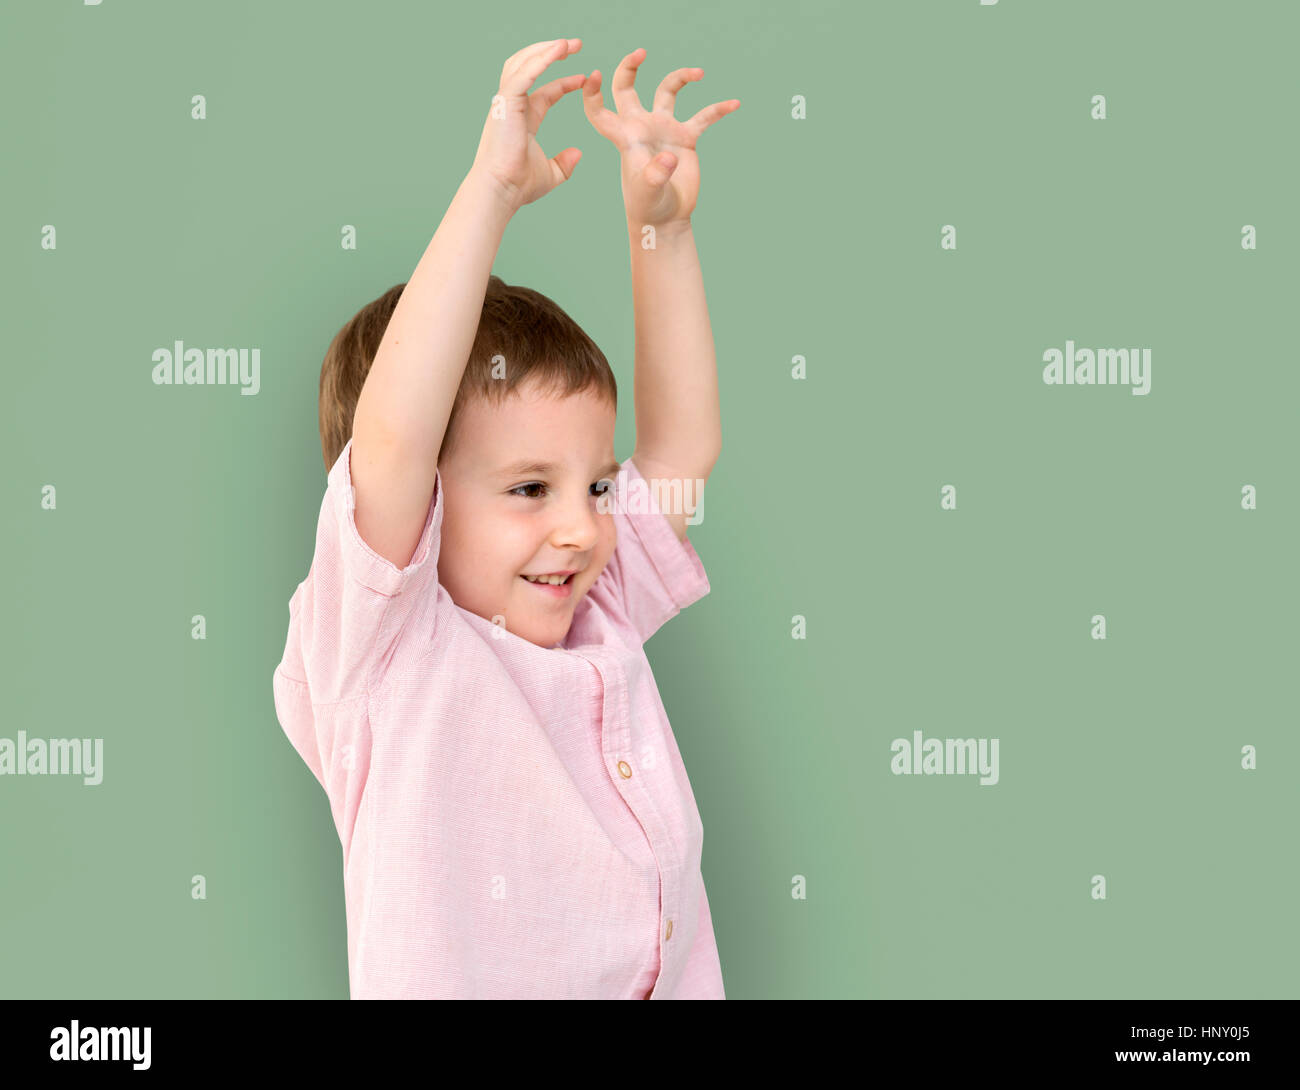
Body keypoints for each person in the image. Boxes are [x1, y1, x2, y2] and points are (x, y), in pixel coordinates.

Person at [272, 37, 738, 998]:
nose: (581, 527)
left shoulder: (597, 607)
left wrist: (662, 231)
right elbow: (396, 443)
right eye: (531, 488)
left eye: (596, 486)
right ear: (428, 507)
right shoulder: (384, 652)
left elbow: (684, 451)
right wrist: (491, 188)